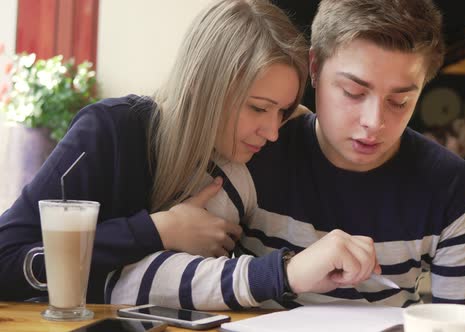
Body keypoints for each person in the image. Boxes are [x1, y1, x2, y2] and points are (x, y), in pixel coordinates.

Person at [107, 0, 465, 310]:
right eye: (353, 93)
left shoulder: (450, 186)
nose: (373, 122)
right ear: (314, 68)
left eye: (400, 100)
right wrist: (285, 273)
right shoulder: (257, 153)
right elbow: (133, 283)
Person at [0, 0, 377, 304]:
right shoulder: (110, 131)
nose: (272, 132)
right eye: (258, 108)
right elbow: (6, 262)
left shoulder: (249, 152)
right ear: (203, 88)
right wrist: (158, 229)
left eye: (282, 111)